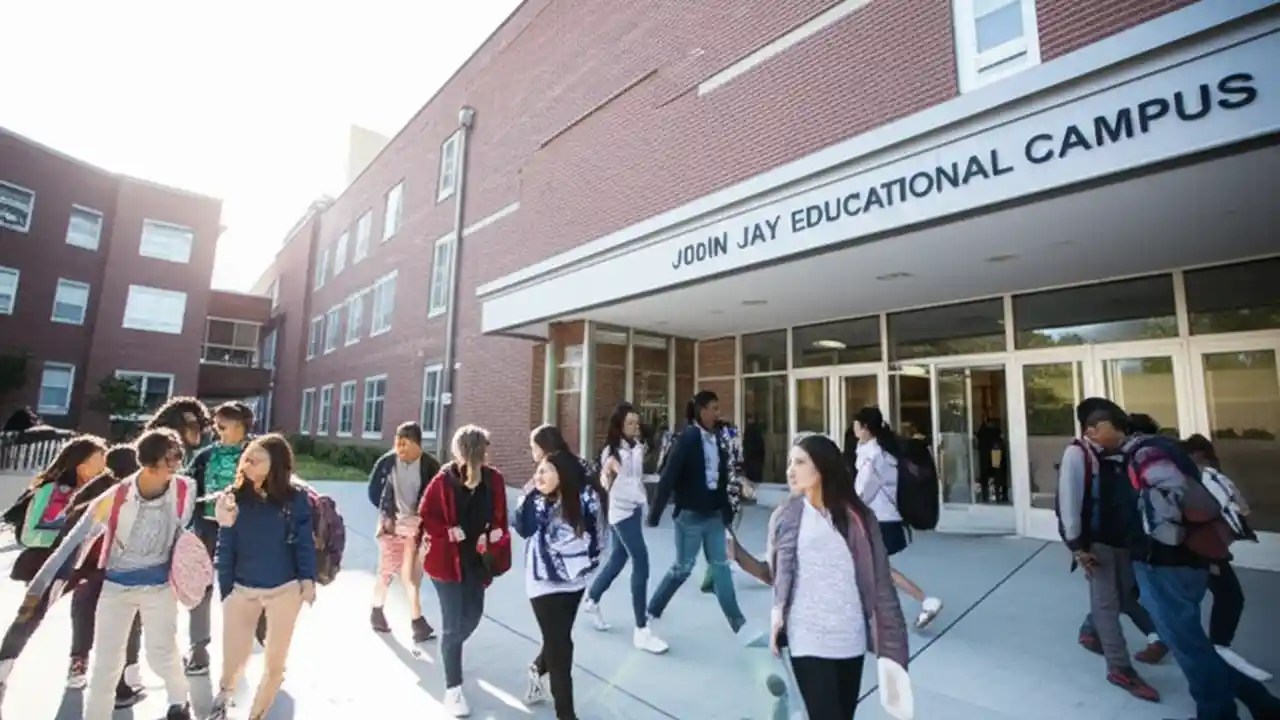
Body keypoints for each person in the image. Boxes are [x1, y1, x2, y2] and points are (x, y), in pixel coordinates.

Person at [23, 428, 196, 720]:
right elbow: (74, 541)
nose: (179, 462)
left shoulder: (185, 488)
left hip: (159, 587)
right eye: (173, 456)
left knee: (161, 654)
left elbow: (184, 532)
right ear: (152, 462)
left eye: (179, 456)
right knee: (106, 664)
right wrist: (42, 587)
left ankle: (180, 703)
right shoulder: (114, 496)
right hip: (116, 588)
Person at [734, 433, 911, 719]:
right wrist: (738, 554)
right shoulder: (786, 516)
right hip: (807, 637)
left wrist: (894, 656)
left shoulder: (859, 519)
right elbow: (774, 576)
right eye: (790, 462)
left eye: (800, 462)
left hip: (849, 637)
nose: (791, 469)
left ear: (822, 466)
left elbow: (881, 587)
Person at [1126, 417, 1280, 720]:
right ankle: (1261, 703)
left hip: (1168, 562)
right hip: (1184, 561)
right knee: (1190, 644)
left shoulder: (1150, 459)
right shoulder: (1171, 457)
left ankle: (1223, 712)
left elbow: (1173, 511)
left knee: (1190, 646)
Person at [0, 436, 148, 708]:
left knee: (42, 612)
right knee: (105, 618)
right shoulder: (120, 493)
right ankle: (113, 683)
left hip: (71, 562)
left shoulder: (96, 488)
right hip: (87, 564)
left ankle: (12, 665)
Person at [1057, 399, 1162, 701]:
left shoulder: (1126, 453)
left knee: (1125, 596)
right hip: (1096, 542)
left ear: (1119, 427)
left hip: (1125, 539)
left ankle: (1092, 635)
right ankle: (1119, 667)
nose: (1090, 430)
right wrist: (1077, 545)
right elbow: (1069, 500)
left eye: (1097, 424)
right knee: (1106, 603)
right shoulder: (1078, 453)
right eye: (1087, 425)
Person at [206, 434, 317, 720]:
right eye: (246, 457)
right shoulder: (233, 497)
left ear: (275, 465)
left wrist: (307, 579)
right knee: (234, 655)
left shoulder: (295, 499)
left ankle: (257, 713)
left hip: (285, 589)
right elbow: (225, 546)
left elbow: (304, 541)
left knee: (275, 662)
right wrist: (227, 590)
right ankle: (225, 693)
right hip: (242, 589)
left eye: (256, 458)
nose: (247, 463)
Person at [418, 425, 511, 717]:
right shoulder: (444, 481)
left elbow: (500, 517)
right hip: (446, 563)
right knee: (452, 622)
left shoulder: (493, 480)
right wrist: (447, 531)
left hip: (476, 561)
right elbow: (425, 516)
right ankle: (453, 689)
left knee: (471, 616)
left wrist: (496, 533)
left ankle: (450, 648)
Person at [646, 391, 749, 642]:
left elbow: (721, 479)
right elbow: (669, 476)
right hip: (690, 517)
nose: (717, 413)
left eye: (718, 408)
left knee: (721, 568)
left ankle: (738, 622)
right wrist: (655, 513)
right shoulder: (688, 438)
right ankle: (653, 609)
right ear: (701, 410)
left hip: (714, 515)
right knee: (682, 569)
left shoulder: (718, 439)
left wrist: (725, 513)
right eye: (713, 408)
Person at [513, 449, 605, 718]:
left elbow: (598, 537)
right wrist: (528, 494)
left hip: (575, 581)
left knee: (559, 640)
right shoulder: (536, 501)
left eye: (545, 470)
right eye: (538, 470)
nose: (538, 474)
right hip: (543, 582)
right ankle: (566, 714)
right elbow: (523, 528)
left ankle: (538, 667)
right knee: (561, 647)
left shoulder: (585, 499)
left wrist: (590, 564)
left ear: (562, 474)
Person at [1183, 433, 1271, 683]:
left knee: (1193, 599)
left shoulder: (1189, 477)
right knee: (1228, 596)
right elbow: (1241, 509)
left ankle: (1206, 646)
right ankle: (1218, 648)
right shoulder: (1207, 478)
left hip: (1199, 549)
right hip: (1205, 550)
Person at [580, 404, 668, 653]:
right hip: (621, 513)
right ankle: (641, 630)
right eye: (630, 423)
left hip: (634, 510)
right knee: (642, 561)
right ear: (619, 425)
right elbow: (615, 486)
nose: (635, 426)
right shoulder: (611, 453)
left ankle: (592, 597)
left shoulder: (637, 447)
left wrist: (649, 486)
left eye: (636, 423)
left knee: (619, 558)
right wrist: (643, 497)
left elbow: (637, 479)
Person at [849, 407, 943, 630]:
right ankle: (918, 603)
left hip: (879, 522)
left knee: (872, 567)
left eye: (856, 424)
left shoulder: (873, 457)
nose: (852, 428)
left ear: (865, 428)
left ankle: (924, 601)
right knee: (873, 568)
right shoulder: (885, 453)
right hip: (890, 521)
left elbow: (863, 493)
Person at [184, 401, 255, 675]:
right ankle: (198, 648)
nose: (219, 429)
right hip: (206, 528)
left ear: (242, 427)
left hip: (243, 531)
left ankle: (240, 647)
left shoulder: (256, 455)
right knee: (200, 587)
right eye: (217, 424)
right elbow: (188, 488)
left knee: (241, 590)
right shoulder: (204, 456)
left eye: (225, 425)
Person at [367, 421, 440, 642]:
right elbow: (374, 491)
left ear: (417, 444)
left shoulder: (430, 466)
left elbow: (437, 496)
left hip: (416, 529)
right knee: (387, 571)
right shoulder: (388, 463)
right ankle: (377, 611)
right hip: (392, 527)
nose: (400, 449)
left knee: (411, 575)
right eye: (397, 443)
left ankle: (417, 622)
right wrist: (389, 515)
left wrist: (422, 520)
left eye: (405, 444)